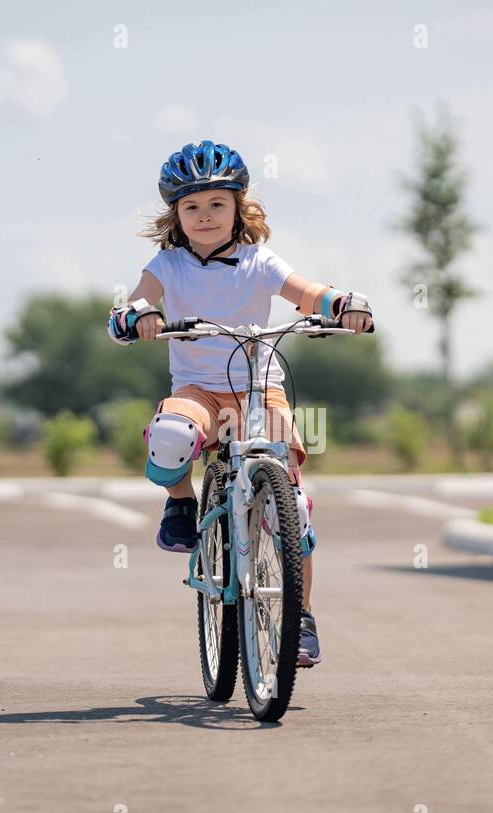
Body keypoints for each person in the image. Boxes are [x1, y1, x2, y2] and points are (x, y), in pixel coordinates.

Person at [106, 140, 375, 667]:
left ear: (237, 207)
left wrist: (341, 304)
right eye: (191, 207)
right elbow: (136, 299)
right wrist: (135, 317)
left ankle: (299, 620)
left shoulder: (259, 261)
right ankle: (182, 501)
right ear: (176, 216)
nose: (204, 216)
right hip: (199, 392)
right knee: (171, 436)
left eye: (215, 204)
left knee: (294, 508)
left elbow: (307, 293)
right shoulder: (168, 265)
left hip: (259, 387)